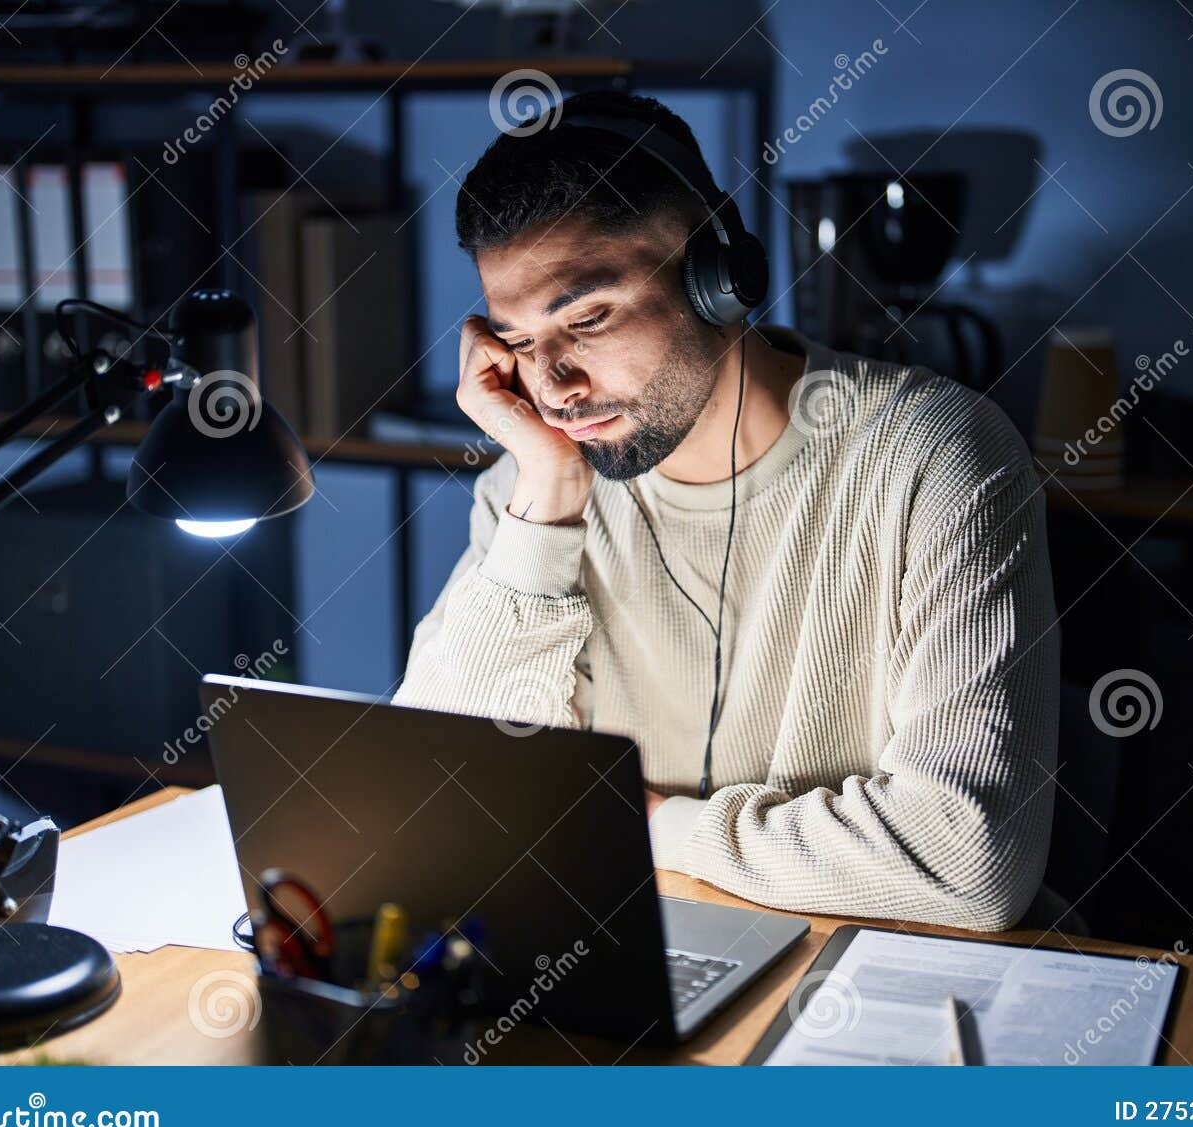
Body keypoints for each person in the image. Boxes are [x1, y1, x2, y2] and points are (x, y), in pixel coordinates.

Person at [393, 90, 1060, 931]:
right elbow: (440, 796)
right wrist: (548, 504)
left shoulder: (933, 455)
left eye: (589, 317)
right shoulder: (534, 486)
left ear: (718, 275)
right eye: (520, 343)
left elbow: (971, 863)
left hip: (881, 967)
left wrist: (650, 825)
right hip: (640, 948)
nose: (554, 389)